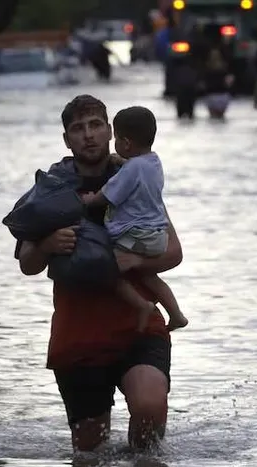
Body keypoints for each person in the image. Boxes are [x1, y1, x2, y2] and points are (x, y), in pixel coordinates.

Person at [15, 95, 182, 452]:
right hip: (79, 334)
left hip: (138, 324)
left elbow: (173, 252)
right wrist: (47, 245)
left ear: (110, 131)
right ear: (67, 140)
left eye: (95, 126)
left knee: (150, 411)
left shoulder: (136, 173)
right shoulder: (52, 188)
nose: (88, 135)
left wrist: (135, 263)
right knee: (90, 458)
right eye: (78, 129)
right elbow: (28, 264)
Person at [79, 106, 188, 333]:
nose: (115, 144)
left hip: (136, 235)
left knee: (109, 267)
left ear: (126, 143)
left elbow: (109, 193)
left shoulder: (131, 169)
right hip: (157, 236)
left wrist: (90, 200)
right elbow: (136, 170)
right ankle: (176, 314)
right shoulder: (153, 162)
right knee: (149, 275)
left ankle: (142, 305)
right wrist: (123, 161)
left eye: (117, 139)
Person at [201, 49, 232, 119]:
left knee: (213, 118)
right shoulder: (224, 67)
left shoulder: (207, 67)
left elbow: (204, 83)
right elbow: (228, 81)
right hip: (222, 96)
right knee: (221, 117)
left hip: (211, 96)